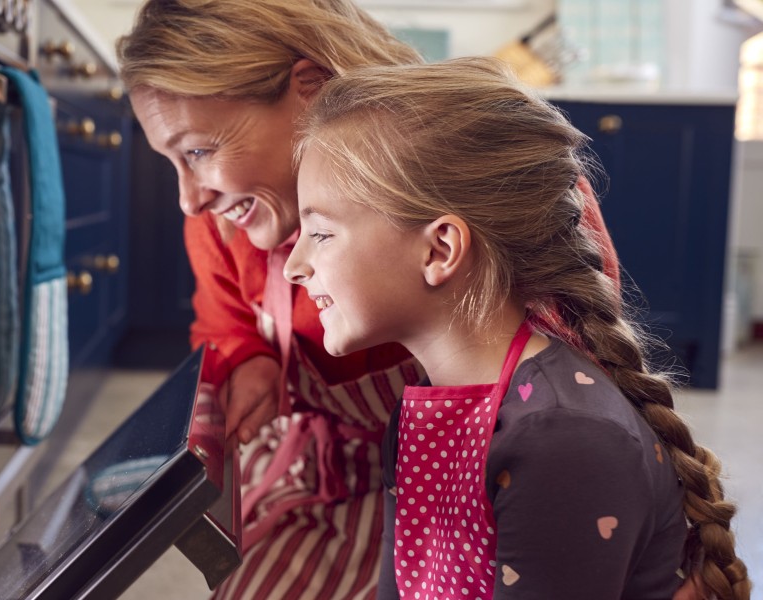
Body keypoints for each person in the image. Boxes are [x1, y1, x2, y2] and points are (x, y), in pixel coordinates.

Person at [117, 1, 626, 598]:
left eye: (199, 151)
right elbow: (224, 326)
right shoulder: (229, 222)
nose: (189, 199)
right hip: (331, 474)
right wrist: (249, 360)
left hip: (485, 484)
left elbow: (586, 403)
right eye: (171, 161)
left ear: (309, 89)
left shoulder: (476, 180)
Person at [283, 57, 751, 600]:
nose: (295, 265)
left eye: (320, 233)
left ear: (440, 249)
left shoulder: (560, 438)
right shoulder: (427, 410)